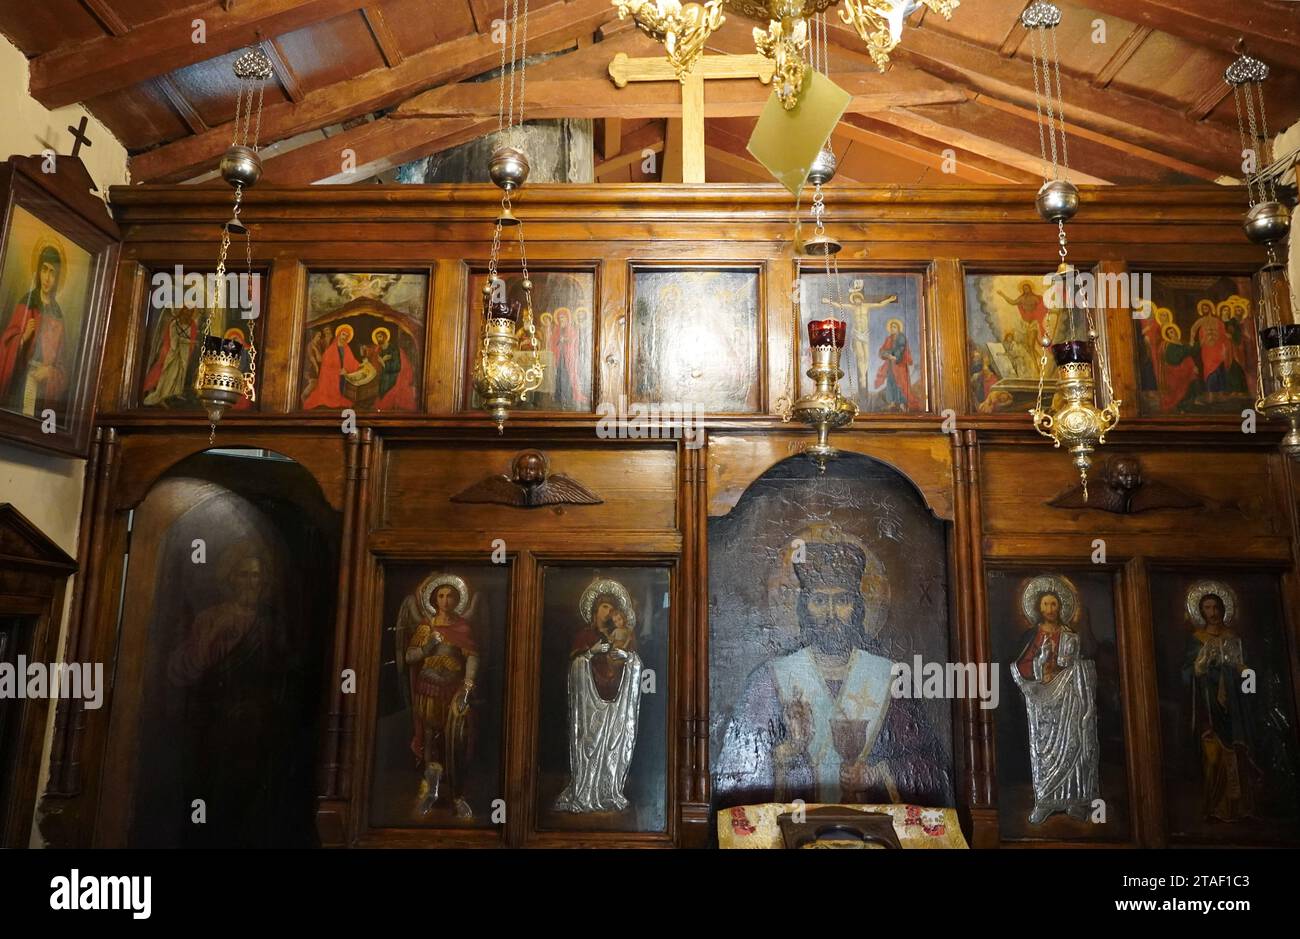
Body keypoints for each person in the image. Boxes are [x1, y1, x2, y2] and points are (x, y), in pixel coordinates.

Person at [716, 540, 949, 807]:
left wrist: (876, 774)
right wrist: (789, 751)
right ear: (804, 606)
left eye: (842, 600)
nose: (831, 614)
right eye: (819, 600)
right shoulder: (770, 680)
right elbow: (735, 772)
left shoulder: (890, 678)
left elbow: (930, 766)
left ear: (857, 606)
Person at [1010, 586, 1100, 824]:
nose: (1050, 609)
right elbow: (1021, 665)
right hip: (1043, 700)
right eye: (1046, 604)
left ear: (1060, 607)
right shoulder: (1032, 635)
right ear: (1039, 608)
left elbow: (1083, 663)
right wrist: (1039, 663)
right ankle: (1045, 802)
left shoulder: (1070, 634)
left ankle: (1074, 800)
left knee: (1073, 745)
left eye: (1054, 604)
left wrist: (1073, 667)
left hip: (1070, 697)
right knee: (1044, 751)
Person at [555, 579, 644, 814]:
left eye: (612, 608)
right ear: (594, 612)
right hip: (589, 704)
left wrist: (627, 659)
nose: (609, 612)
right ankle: (585, 790)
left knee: (614, 744)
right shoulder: (584, 637)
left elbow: (634, 663)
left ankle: (609, 790)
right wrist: (590, 653)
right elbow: (575, 666)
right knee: (589, 744)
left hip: (616, 703)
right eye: (604, 607)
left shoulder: (622, 635)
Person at [404, 576, 478, 818]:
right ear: (434, 600)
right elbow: (410, 657)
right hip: (429, 690)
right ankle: (431, 792)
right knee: (429, 741)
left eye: (450, 595)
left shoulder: (463, 628)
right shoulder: (426, 626)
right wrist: (427, 648)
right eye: (441, 596)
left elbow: (471, 657)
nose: (446, 600)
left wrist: (467, 687)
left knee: (454, 743)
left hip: (453, 692)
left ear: (458, 599)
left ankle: (458, 796)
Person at [1184, 589, 1257, 822]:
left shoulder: (1233, 638)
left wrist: (1246, 674)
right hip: (1210, 707)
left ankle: (1240, 809)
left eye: (1216, 607)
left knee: (1238, 753)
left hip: (1234, 705)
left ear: (1223, 609)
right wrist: (1199, 667)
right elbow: (1186, 674)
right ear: (1201, 612)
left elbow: (1245, 672)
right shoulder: (1197, 640)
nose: (1212, 612)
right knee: (1213, 759)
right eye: (1207, 608)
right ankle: (1214, 808)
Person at [0, 244, 70, 416]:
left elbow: (62, 367)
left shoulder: (58, 315)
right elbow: (5, 344)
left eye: (52, 272)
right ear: (38, 271)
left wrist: (49, 372)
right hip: (21, 383)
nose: (47, 278)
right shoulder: (27, 303)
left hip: (43, 391)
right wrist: (22, 338)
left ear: (57, 277)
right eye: (44, 270)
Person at [822, 283, 897, 393]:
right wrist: (828, 301)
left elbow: (880, 304)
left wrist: (889, 299)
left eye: (858, 298)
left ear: (861, 299)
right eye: (855, 299)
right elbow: (839, 305)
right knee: (860, 356)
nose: (857, 301)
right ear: (854, 300)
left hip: (865, 333)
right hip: (857, 333)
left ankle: (863, 374)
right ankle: (862, 376)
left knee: (866, 356)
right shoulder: (852, 308)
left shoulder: (867, 306)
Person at [303, 323, 359, 409]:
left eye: (346, 336)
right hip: (333, 377)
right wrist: (337, 371)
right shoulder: (331, 349)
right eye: (343, 334)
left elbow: (352, 362)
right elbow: (325, 366)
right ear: (339, 334)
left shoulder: (346, 348)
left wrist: (346, 370)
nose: (344, 337)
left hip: (343, 375)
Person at [875, 318, 918, 411]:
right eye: (891, 327)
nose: (892, 329)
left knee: (901, 382)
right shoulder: (889, 338)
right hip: (891, 365)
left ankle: (902, 403)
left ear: (898, 328)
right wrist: (887, 355)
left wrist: (892, 355)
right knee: (891, 382)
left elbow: (900, 349)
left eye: (894, 327)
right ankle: (892, 402)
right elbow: (882, 350)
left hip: (899, 365)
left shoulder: (901, 337)